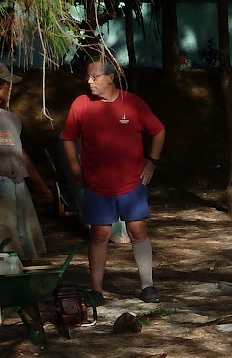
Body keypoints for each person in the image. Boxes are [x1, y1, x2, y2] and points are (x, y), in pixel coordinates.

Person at [60, 55, 166, 305]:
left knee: (137, 230)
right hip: (97, 185)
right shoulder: (81, 104)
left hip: (131, 183)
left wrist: (152, 162)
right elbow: (67, 138)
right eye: (88, 77)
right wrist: (76, 169)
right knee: (100, 234)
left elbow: (159, 131)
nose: (89, 82)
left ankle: (147, 286)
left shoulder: (132, 103)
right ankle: (96, 290)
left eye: (94, 77)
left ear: (110, 77)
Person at [0, 61, 52, 263]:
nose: (9, 91)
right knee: (5, 232)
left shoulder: (12, 119)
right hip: (1, 182)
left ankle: (21, 271)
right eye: (6, 86)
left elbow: (19, 152)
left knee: (23, 232)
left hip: (17, 183)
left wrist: (39, 183)